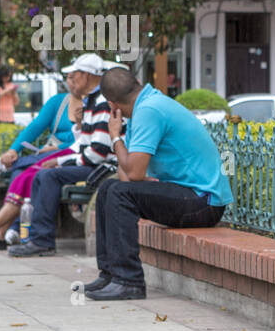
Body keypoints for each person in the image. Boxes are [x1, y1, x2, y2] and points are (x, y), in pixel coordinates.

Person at [79, 66, 234, 301]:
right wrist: (122, 144)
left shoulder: (149, 111)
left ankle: (128, 281)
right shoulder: (144, 106)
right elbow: (127, 175)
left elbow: (132, 174)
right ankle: (109, 274)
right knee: (109, 188)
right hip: (188, 195)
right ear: (138, 82)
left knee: (119, 193)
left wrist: (114, 137)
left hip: (204, 202)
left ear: (112, 105)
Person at [8, 54, 115, 258]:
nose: (71, 81)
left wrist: (59, 162)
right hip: (90, 162)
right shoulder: (91, 102)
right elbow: (83, 144)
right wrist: (59, 161)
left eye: (74, 76)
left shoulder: (102, 102)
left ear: (86, 76)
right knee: (42, 173)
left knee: (48, 175)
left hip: (103, 168)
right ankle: (33, 236)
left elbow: (98, 154)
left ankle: (41, 240)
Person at [0, 76, 80, 249]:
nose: (72, 80)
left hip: (68, 157)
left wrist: (59, 149)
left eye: (76, 76)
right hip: (48, 155)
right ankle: (4, 232)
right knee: (20, 169)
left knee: (25, 169)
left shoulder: (96, 105)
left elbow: (88, 140)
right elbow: (34, 127)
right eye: (70, 76)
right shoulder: (59, 102)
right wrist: (14, 150)